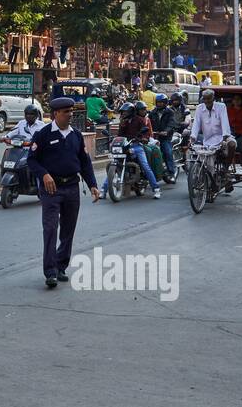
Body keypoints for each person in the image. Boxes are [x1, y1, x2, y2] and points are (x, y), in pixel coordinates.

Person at [25, 96, 100, 289]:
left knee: (68, 229)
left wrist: (92, 184)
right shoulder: (43, 134)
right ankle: (50, 271)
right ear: (55, 114)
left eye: (71, 111)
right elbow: (32, 160)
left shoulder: (75, 135)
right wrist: (44, 175)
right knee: (50, 228)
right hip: (52, 189)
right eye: (66, 112)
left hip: (72, 187)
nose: (70, 115)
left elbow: (84, 162)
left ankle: (61, 266)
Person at [105, 100, 162, 199]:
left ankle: (156, 189)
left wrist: (144, 138)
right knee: (115, 164)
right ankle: (103, 190)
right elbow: (120, 135)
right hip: (126, 145)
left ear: (131, 111)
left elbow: (146, 132)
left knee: (145, 166)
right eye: (122, 112)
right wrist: (121, 128)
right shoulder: (124, 122)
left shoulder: (139, 120)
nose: (123, 114)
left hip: (136, 145)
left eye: (125, 112)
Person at [190, 88, 236, 192]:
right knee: (202, 155)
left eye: (209, 99)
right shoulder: (199, 108)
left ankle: (226, 169)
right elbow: (196, 124)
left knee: (232, 144)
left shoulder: (221, 106)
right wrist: (193, 136)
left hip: (223, 137)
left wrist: (225, 136)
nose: (207, 101)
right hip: (208, 140)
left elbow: (225, 122)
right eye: (205, 99)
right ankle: (209, 181)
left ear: (213, 98)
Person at [148, 94, 180, 182]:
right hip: (154, 138)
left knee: (167, 152)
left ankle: (171, 173)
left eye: (161, 102)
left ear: (165, 103)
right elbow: (148, 123)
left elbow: (171, 123)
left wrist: (166, 131)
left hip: (165, 138)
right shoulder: (152, 112)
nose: (159, 104)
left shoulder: (170, 112)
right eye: (158, 102)